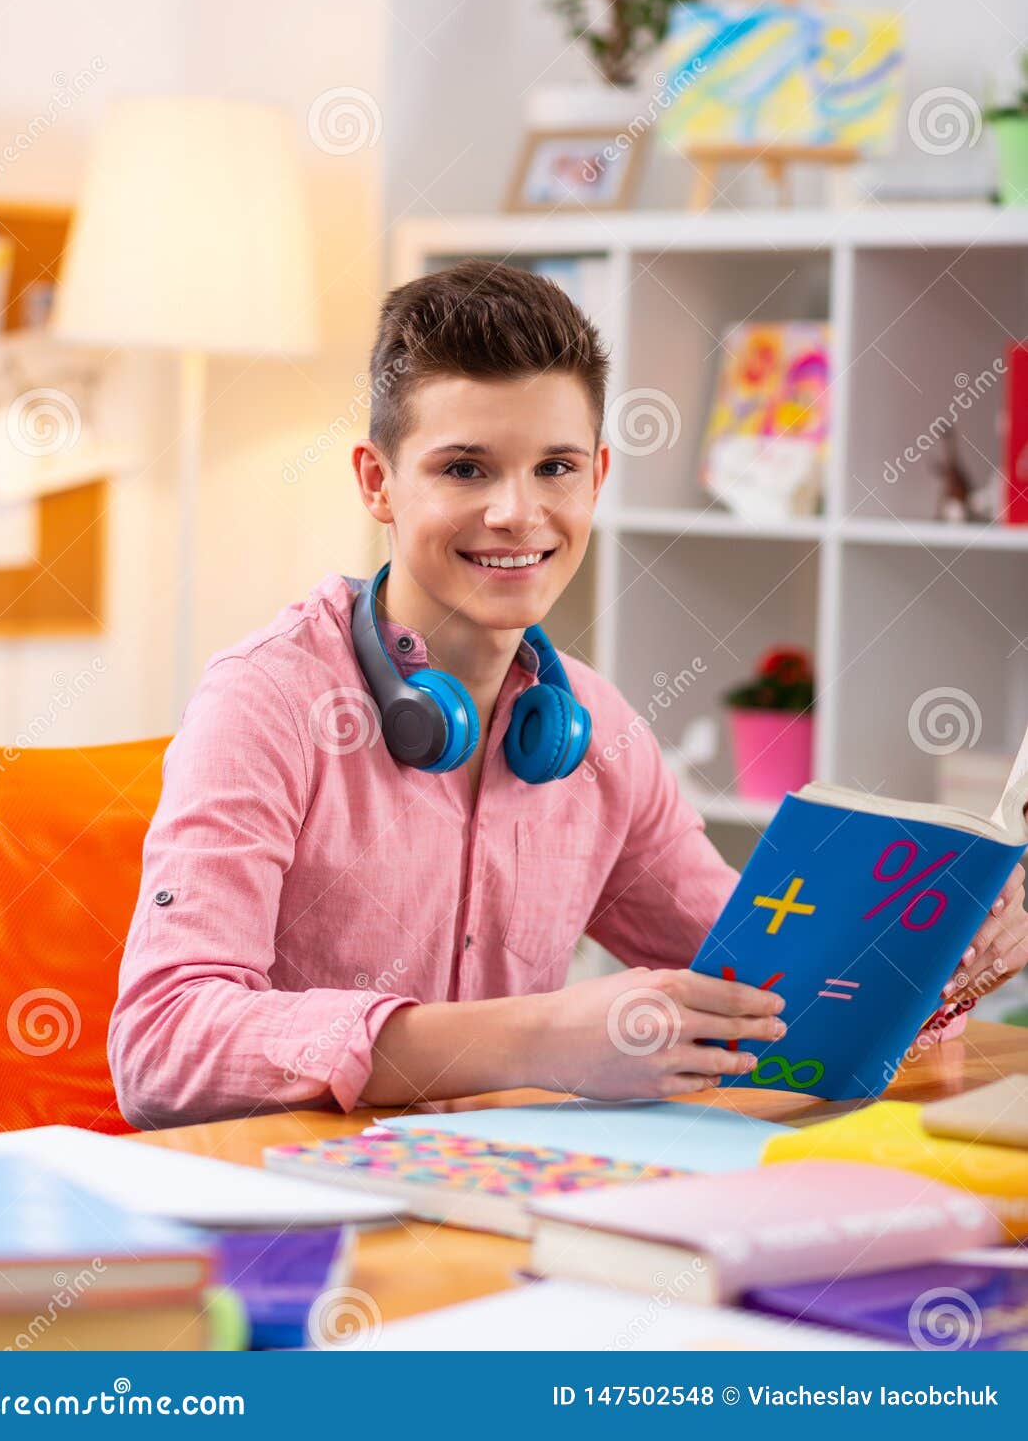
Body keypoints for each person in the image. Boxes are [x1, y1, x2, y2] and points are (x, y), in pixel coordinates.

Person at [107, 259, 1024, 1129]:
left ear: (599, 475)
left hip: (498, 1200)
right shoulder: (266, 699)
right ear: (377, 482)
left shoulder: (596, 730)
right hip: (293, 1203)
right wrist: (540, 1037)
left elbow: (770, 993)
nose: (518, 513)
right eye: (464, 468)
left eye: (555, 467)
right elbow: (160, 1046)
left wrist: (938, 959)